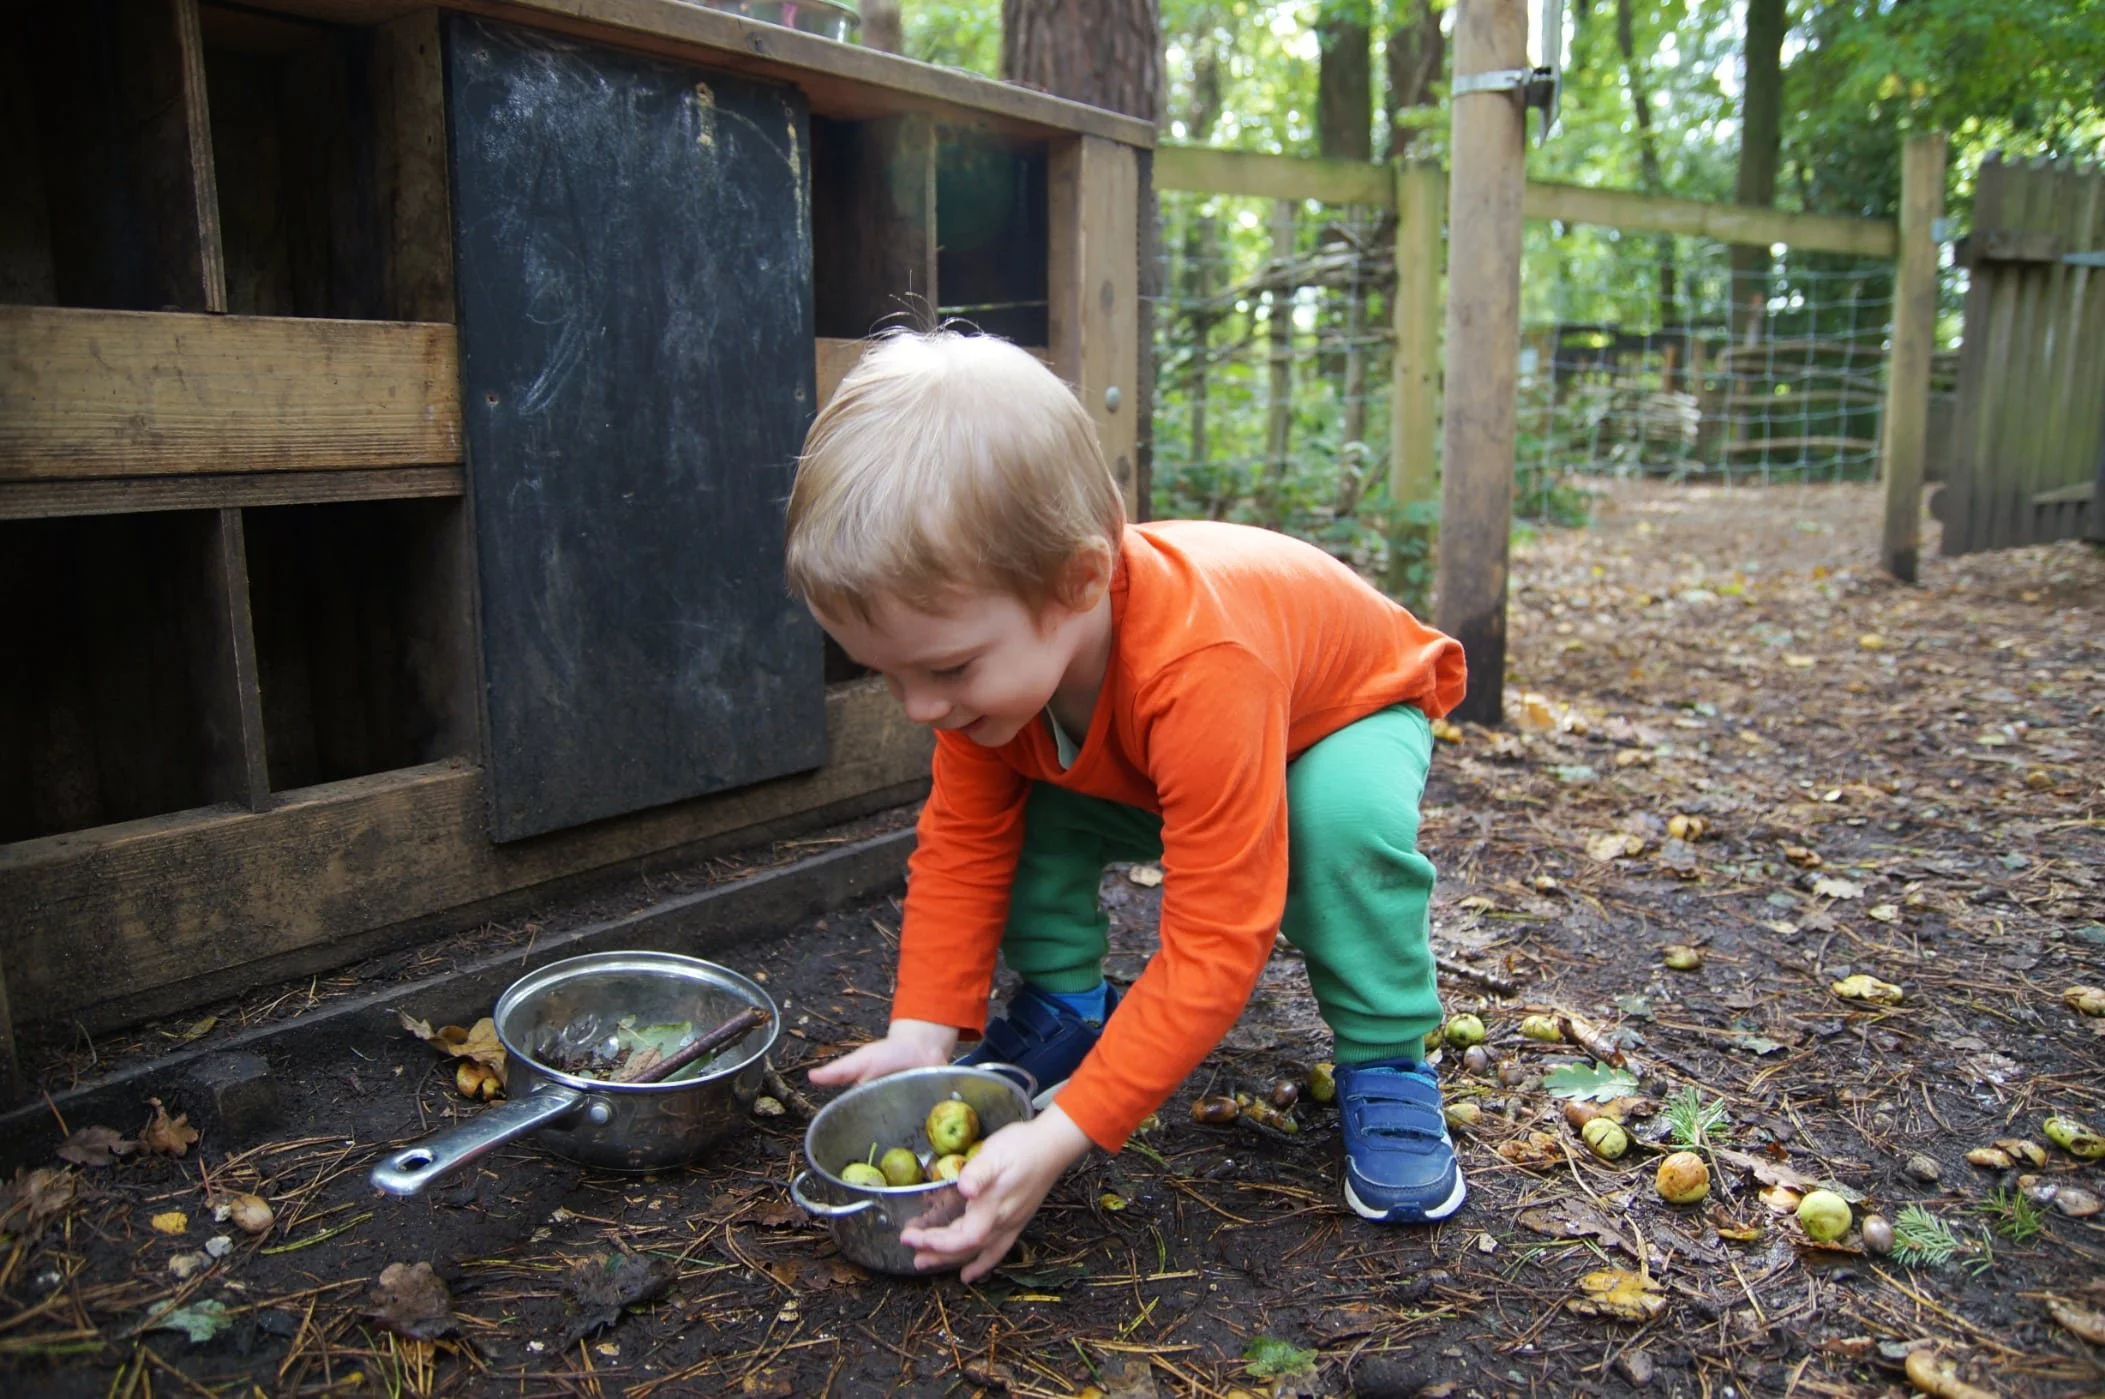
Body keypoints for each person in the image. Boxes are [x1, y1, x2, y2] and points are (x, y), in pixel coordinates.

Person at [788, 329, 1468, 1281]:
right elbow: (960, 847)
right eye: (884, 674)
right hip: (1171, 758)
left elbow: (1217, 937)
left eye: (944, 668)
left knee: (1331, 835)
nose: (920, 708)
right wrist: (921, 1030)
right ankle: (1067, 1004)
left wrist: (1065, 1129)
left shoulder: (1200, 667)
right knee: (1024, 806)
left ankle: (1386, 1059)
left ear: (1074, 580)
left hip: (1340, 714)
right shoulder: (994, 680)